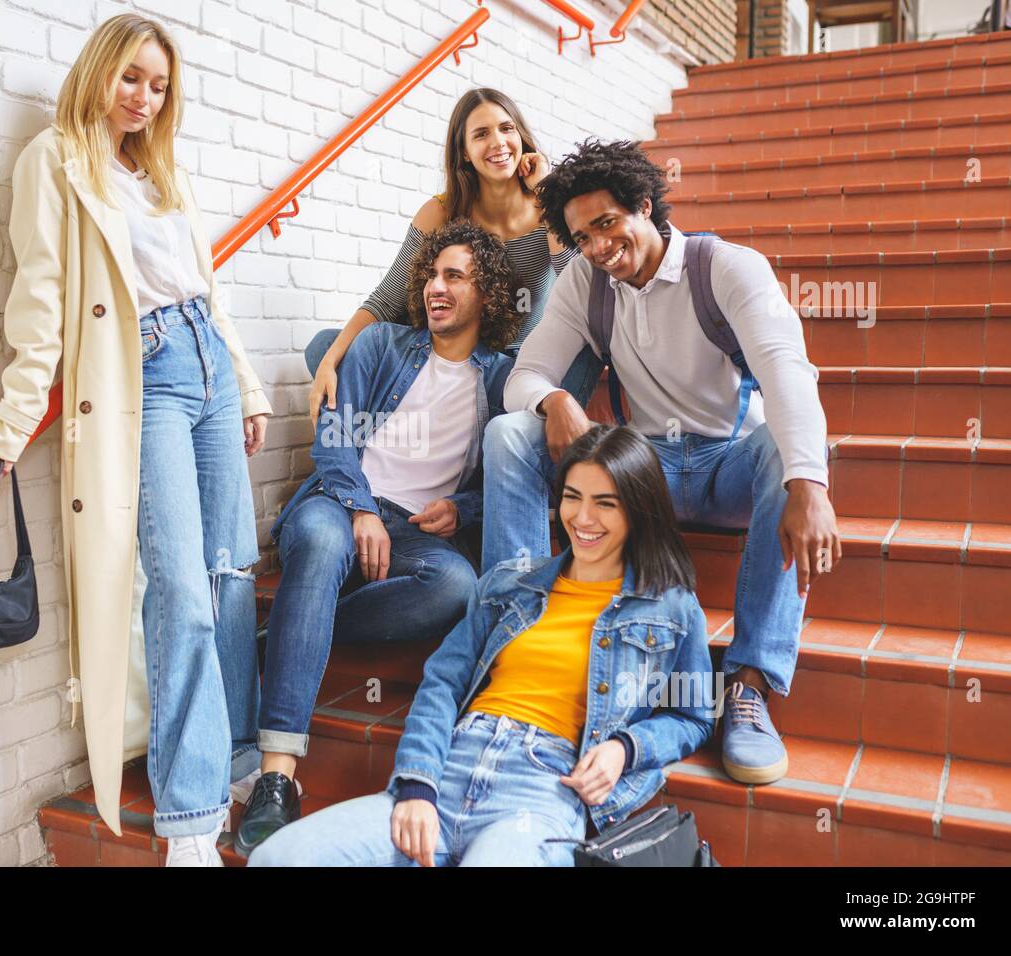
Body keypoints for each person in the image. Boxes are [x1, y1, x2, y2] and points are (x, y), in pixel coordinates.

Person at [0, 14, 271, 866]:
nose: (144, 97)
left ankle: (236, 758)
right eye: (132, 77)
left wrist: (244, 385)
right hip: (148, 376)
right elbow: (40, 296)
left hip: (205, 363)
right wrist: (14, 417)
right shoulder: (54, 161)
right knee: (175, 586)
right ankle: (190, 821)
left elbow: (206, 291)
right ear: (100, 70)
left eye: (160, 84)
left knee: (228, 573)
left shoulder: (157, 171)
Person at [483, 139, 842, 786]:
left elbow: (788, 373)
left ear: (644, 207)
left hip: (729, 462)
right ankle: (518, 646)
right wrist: (557, 400)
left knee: (789, 455)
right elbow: (523, 376)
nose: (595, 246)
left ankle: (750, 686)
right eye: (580, 236)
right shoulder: (583, 283)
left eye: (606, 224)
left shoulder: (726, 267)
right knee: (511, 432)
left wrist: (808, 485)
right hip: (643, 468)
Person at [248, 424, 716, 867]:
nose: (583, 518)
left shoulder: (672, 608)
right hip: (451, 764)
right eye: (572, 497)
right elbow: (442, 684)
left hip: (541, 790)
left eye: (605, 503)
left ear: (637, 508)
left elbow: (693, 716)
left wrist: (625, 748)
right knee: (278, 857)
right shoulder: (508, 585)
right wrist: (416, 785)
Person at [234, 221, 519, 856]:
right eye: (431, 275)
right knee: (318, 542)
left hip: (416, 532)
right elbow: (333, 438)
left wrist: (462, 510)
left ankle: (294, 628)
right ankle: (277, 779)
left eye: (455, 277)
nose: (435, 288)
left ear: (489, 294)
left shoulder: (499, 379)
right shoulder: (381, 345)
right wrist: (359, 507)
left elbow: (512, 472)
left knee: (455, 585)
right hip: (341, 502)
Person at [304, 88, 599, 425]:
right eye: (481, 134)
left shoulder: (548, 205)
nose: (499, 143)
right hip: (450, 357)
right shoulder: (441, 211)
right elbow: (387, 300)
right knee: (325, 346)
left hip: (518, 364)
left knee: (588, 345)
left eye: (507, 129)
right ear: (464, 152)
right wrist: (329, 362)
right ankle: (384, 450)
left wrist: (550, 192)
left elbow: (580, 287)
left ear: (522, 137)